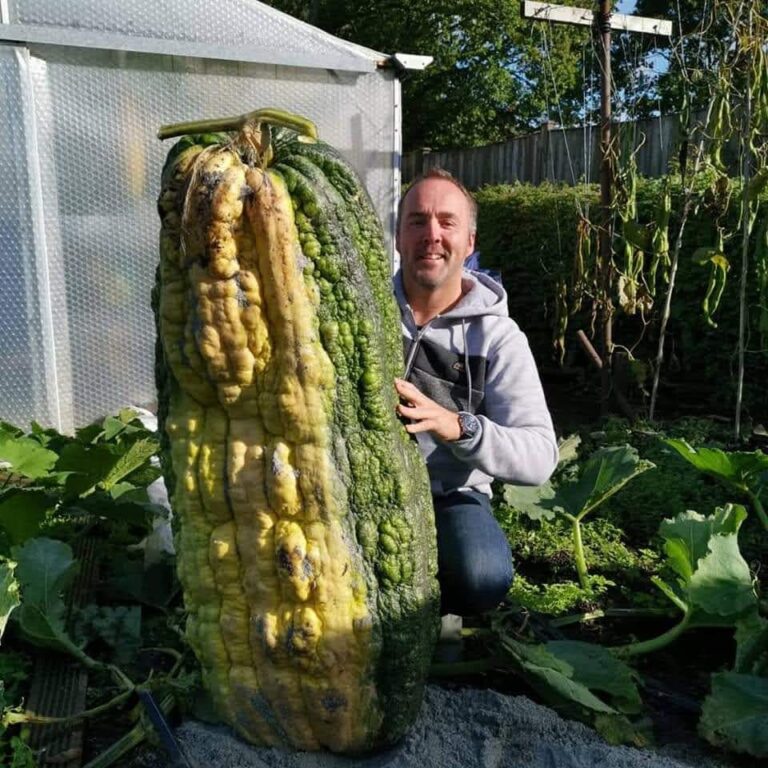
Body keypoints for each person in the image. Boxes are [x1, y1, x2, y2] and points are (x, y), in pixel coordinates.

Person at [393, 168, 559, 617]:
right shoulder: (365, 313)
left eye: (447, 222)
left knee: (481, 575)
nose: (431, 235)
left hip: (451, 494)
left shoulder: (499, 338)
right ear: (397, 237)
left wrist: (458, 427)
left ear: (469, 242)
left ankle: (438, 617)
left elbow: (541, 455)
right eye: (417, 221)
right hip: (357, 486)